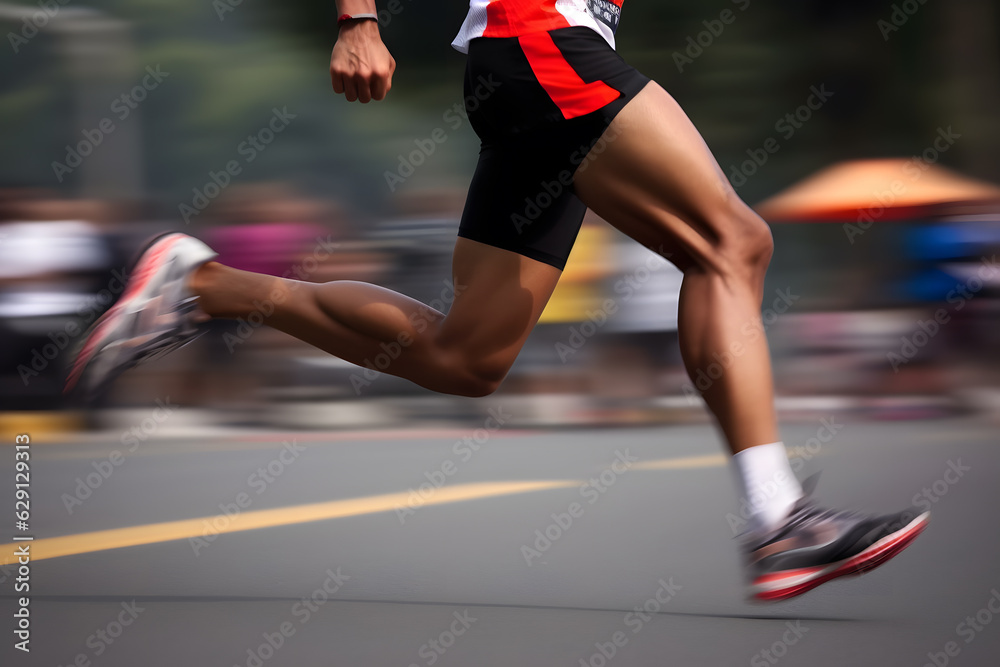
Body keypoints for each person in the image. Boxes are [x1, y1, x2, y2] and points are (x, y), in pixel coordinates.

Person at [68, 0, 928, 601]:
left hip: (530, 64)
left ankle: (201, 283)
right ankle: (779, 516)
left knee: (466, 358)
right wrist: (357, 17)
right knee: (733, 243)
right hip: (540, 42)